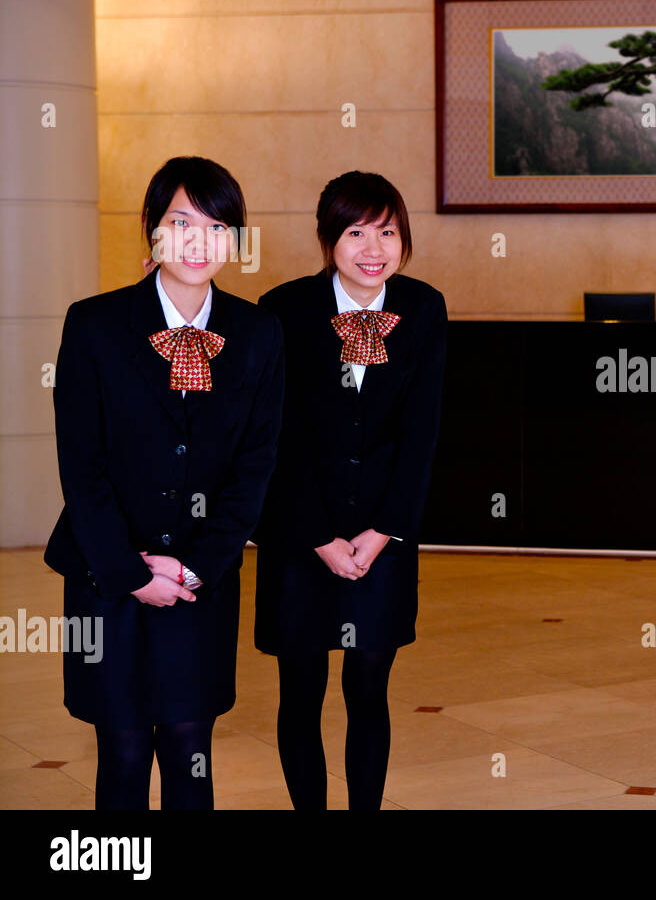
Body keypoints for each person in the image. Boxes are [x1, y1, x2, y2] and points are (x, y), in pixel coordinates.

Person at [44, 155, 285, 809]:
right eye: (181, 222)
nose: (198, 241)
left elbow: (254, 468)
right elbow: (82, 468)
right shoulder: (94, 326)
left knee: (189, 749)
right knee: (122, 756)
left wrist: (194, 568)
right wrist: (131, 571)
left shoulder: (259, 334)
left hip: (198, 584)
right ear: (150, 228)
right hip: (107, 577)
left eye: (216, 226)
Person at [253, 171, 448, 809]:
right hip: (299, 538)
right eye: (356, 231)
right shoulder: (284, 310)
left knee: (369, 686)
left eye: (387, 231)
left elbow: (422, 433)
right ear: (328, 239)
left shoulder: (423, 308)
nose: (373, 247)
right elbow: (275, 436)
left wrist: (383, 530)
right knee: (300, 690)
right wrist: (318, 536)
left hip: (380, 541)